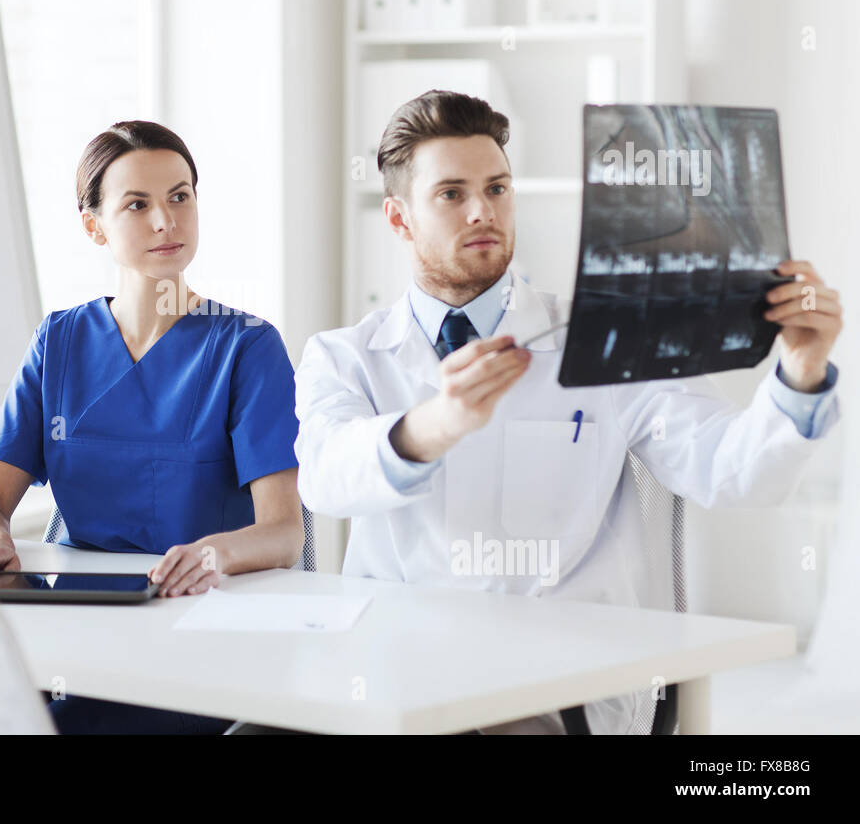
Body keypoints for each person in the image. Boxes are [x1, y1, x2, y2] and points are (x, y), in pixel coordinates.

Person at [294, 90, 842, 734]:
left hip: (553, 689)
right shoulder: (345, 356)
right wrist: (434, 425)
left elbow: (733, 471)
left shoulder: (606, 337)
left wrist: (800, 375)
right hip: (394, 677)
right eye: (451, 194)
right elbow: (326, 479)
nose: (482, 211)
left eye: (497, 188)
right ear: (398, 219)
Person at [0, 120, 304, 734]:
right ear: (95, 225)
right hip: (76, 627)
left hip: (201, 627)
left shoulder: (247, 347)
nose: (166, 222)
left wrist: (213, 554)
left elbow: (283, 533)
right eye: (137, 204)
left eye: (180, 197)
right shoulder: (58, 341)